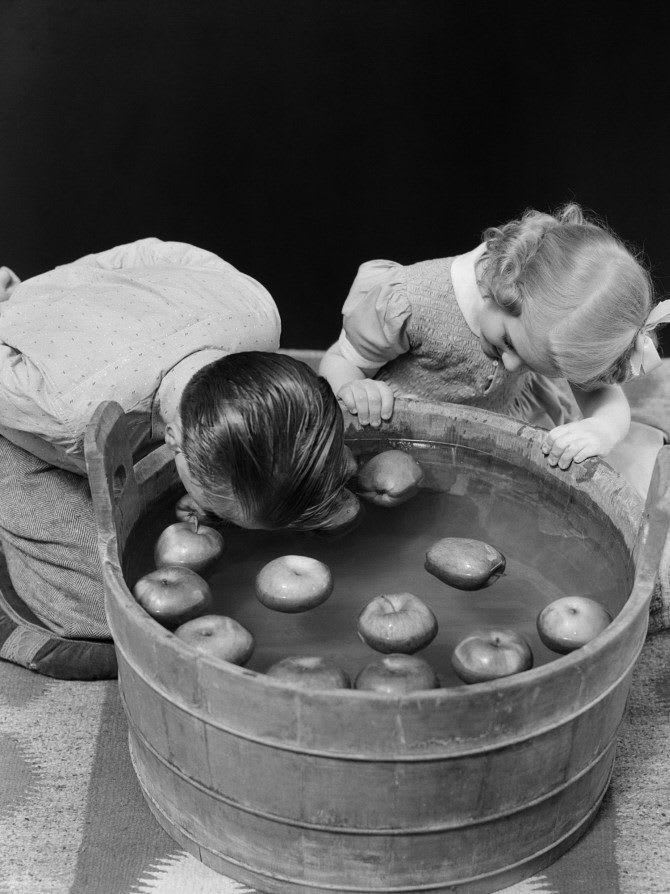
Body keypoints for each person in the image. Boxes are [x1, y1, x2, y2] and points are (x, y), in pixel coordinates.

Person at [0, 239, 353, 680]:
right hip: (22, 414)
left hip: (103, 325)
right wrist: (27, 298)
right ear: (173, 441)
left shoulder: (258, 314)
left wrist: (87, 276)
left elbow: (160, 253)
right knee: (98, 619)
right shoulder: (65, 412)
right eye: (218, 507)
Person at [319, 203, 670, 476]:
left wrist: (601, 429)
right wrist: (352, 386)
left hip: (487, 447)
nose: (511, 365)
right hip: (400, 439)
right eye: (509, 344)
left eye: (534, 365)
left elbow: (605, 399)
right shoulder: (413, 303)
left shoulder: (560, 328)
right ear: (503, 287)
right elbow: (339, 361)